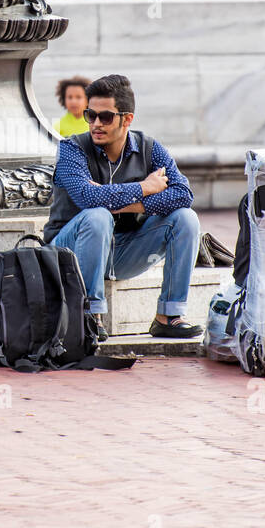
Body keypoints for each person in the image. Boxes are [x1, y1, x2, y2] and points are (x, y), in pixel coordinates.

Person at [43, 74, 202, 340]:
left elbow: (183, 195)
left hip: (124, 251)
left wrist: (120, 205)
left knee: (186, 219)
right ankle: (90, 316)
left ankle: (169, 315)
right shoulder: (72, 149)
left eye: (105, 117)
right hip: (69, 251)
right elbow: (86, 198)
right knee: (96, 217)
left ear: (127, 119)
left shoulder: (151, 150)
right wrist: (144, 187)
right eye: (90, 115)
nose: (95, 124)